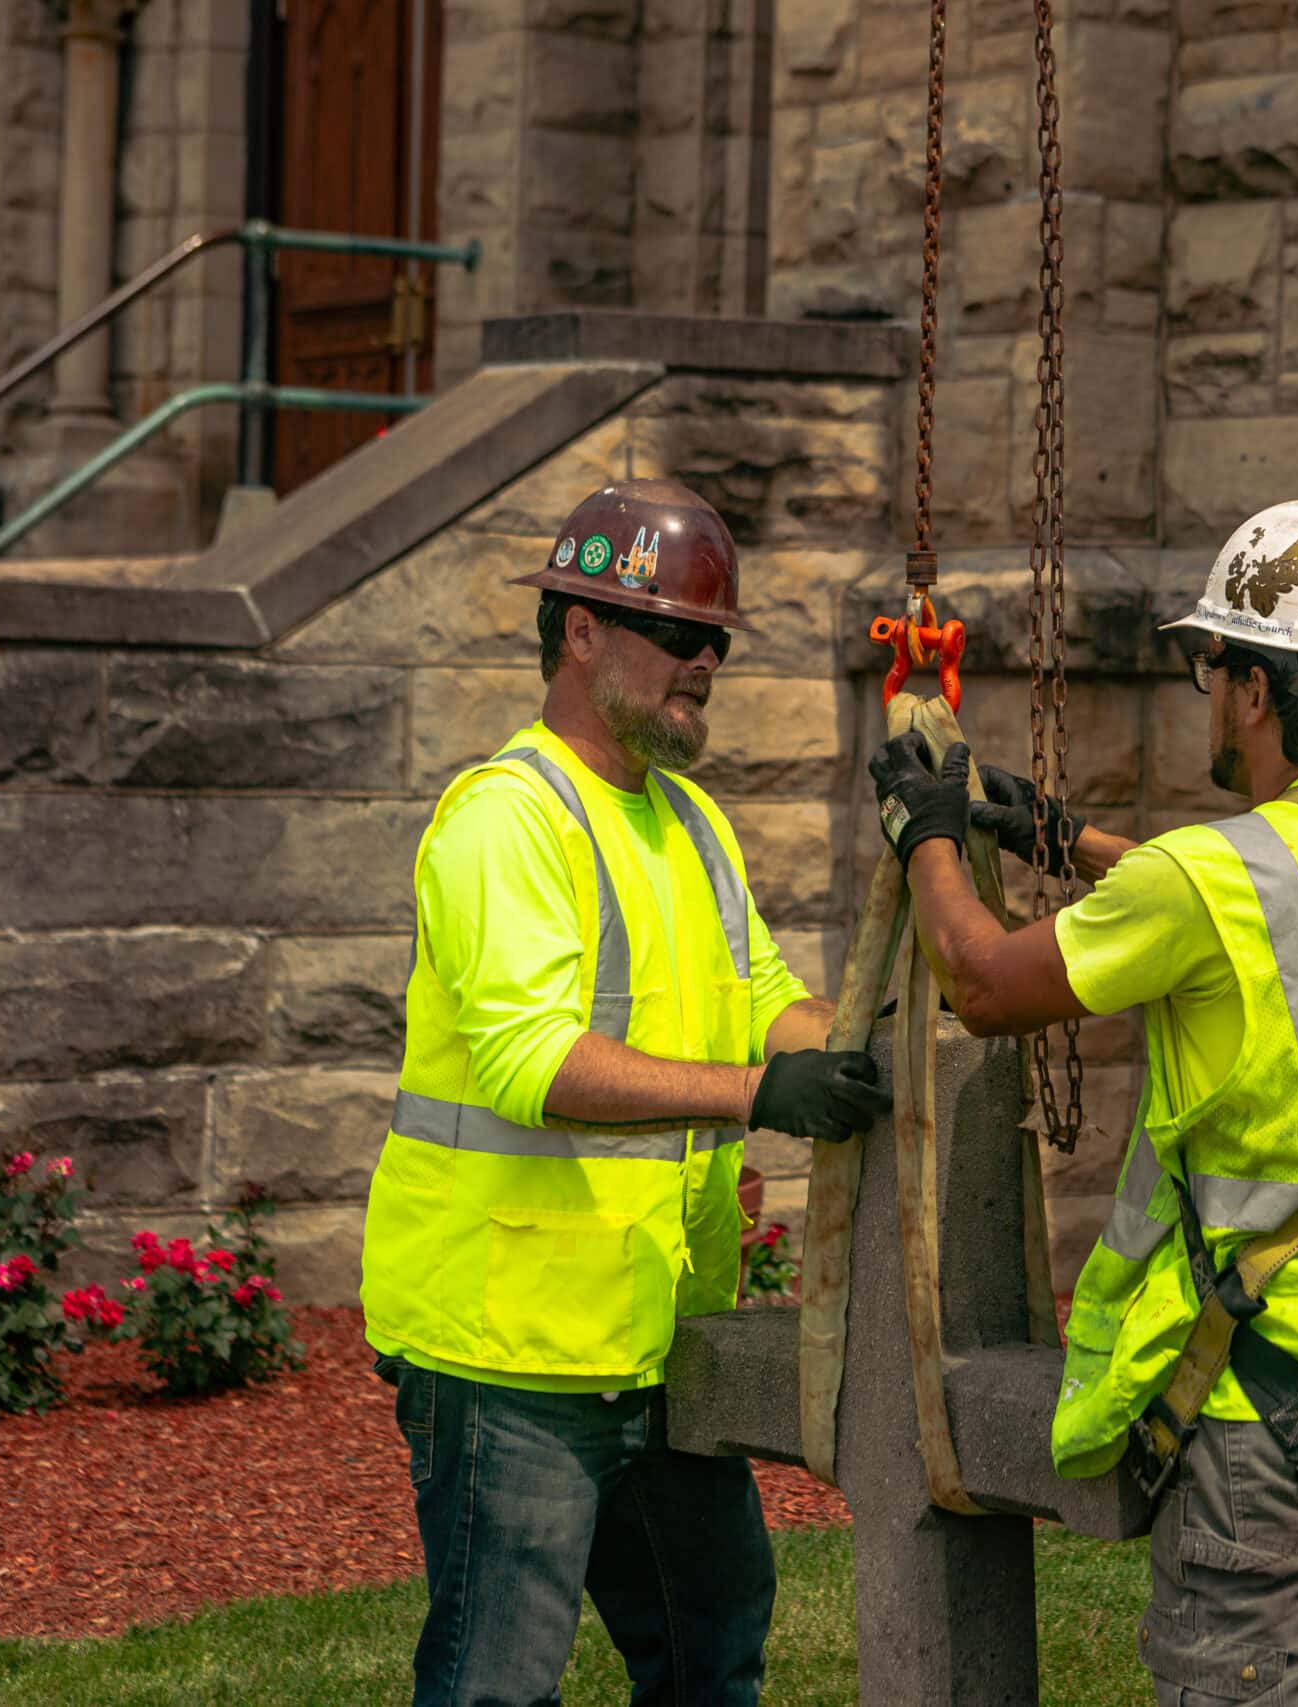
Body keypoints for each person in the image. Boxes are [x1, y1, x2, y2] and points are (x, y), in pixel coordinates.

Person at [867, 500, 1298, 1707]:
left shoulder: (1210, 880)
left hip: (1267, 1403)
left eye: (1211, 666)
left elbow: (987, 984)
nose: (1206, 691)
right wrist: (1065, 836)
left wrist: (929, 838)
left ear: (1256, 691)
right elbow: (1281, 905)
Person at [361, 478, 889, 1707]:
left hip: (655, 1343)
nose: (703, 662)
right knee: (497, 1681)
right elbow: (532, 1063)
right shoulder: (508, 819)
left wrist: (895, 1035)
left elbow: (768, 997)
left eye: (716, 640)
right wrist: (760, 1094)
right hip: (510, 1353)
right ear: (580, 631)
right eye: (677, 635)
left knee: (714, 1643)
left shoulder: (692, 823)